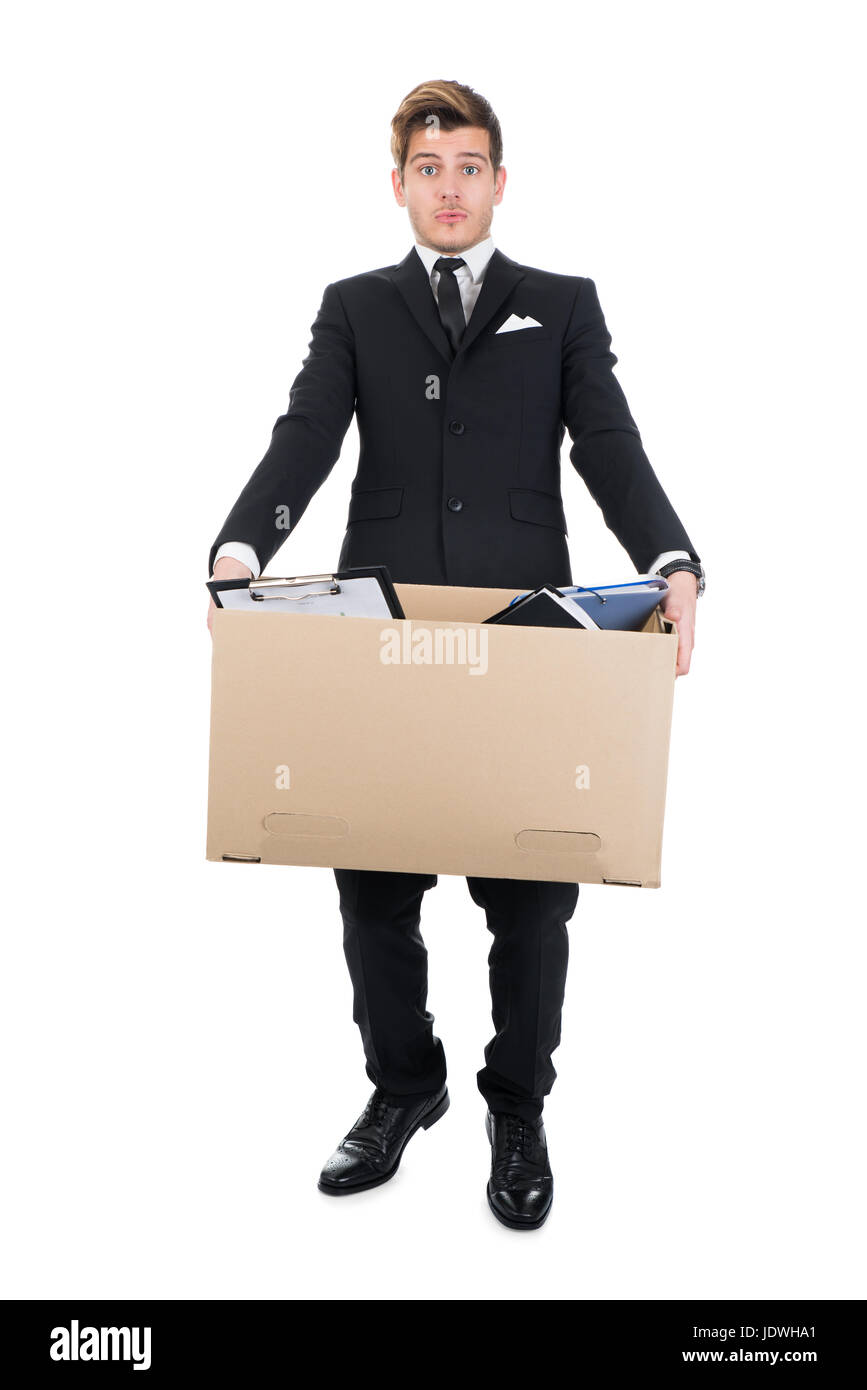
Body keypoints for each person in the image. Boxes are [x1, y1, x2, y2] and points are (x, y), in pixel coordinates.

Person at [207, 78, 704, 1230]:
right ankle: (404, 1086)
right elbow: (305, 439)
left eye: (468, 166)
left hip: (526, 645)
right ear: (400, 184)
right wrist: (241, 546)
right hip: (379, 645)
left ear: (498, 181)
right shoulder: (353, 307)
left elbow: (611, 448)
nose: (448, 186)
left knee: (532, 901)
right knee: (372, 890)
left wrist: (673, 558)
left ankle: (517, 1106)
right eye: (428, 168)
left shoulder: (561, 305)